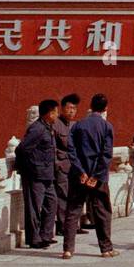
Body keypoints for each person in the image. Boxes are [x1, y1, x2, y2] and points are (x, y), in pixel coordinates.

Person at [64, 93, 117, 259]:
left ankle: (67, 249)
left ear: (91, 106)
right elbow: (106, 154)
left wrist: (82, 172)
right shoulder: (106, 127)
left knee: (73, 211)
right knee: (102, 212)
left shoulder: (78, 126)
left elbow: (71, 151)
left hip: (79, 176)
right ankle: (106, 249)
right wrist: (95, 176)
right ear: (105, 108)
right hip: (98, 178)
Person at [15, 98, 59, 248]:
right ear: (49, 113)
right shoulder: (38, 128)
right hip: (36, 175)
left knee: (51, 204)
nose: (57, 115)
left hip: (48, 174)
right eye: (55, 112)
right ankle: (34, 239)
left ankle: (45, 235)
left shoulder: (48, 127)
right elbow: (22, 149)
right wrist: (30, 168)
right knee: (34, 208)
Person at [52, 93, 81, 236]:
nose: (72, 111)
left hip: (74, 167)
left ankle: (74, 224)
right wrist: (57, 163)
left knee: (75, 196)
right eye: (69, 108)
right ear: (62, 108)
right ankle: (63, 226)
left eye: (74, 109)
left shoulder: (75, 126)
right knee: (62, 196)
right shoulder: (55, 124)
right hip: (61, 166)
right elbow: (52, 147)